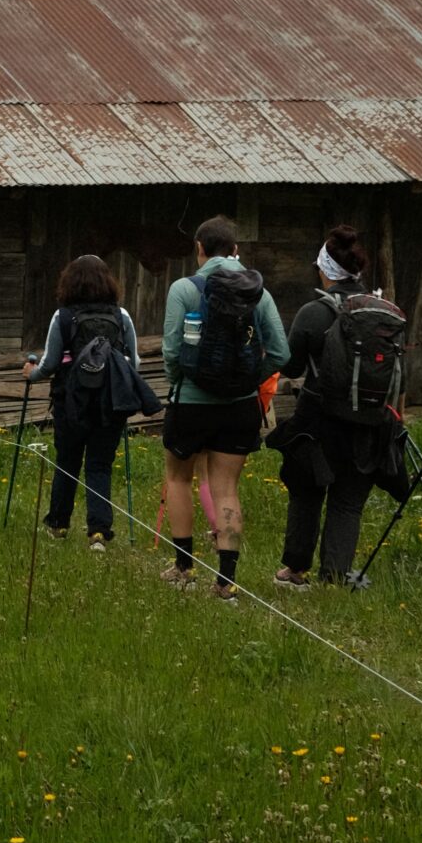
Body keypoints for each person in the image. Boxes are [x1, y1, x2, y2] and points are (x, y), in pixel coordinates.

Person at [160, 215, 290, 600]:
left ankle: (184, 569)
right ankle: (226, 582)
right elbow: (281, 351)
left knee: (179, 479)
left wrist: (182, 381)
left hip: (191, 402)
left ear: (199, 249)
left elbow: (171, 351)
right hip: (239, 406)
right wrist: (249, 380)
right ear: (235, 250)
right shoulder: (259, 293)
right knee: (227, 489)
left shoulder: (184, 288)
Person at [273, 224, 409, 588]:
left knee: (306, 493)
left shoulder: (313, 313)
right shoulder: (386, 314)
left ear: (324, 270)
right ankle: (333, 577)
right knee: (348, 502)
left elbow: (292, 366)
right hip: (369, 423)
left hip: (319, 421)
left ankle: (295, 571)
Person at [23, 253, 157, 547]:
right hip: (111, 401)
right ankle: (98, 532)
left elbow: (49, 364)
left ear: (70, 282)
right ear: (107, 282)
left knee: (67, 461)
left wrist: (30, 374)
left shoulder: (64, 316)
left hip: (71, 401)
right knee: (99, 464)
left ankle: (58, 525)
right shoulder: (121, 316)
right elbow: (133, 363)